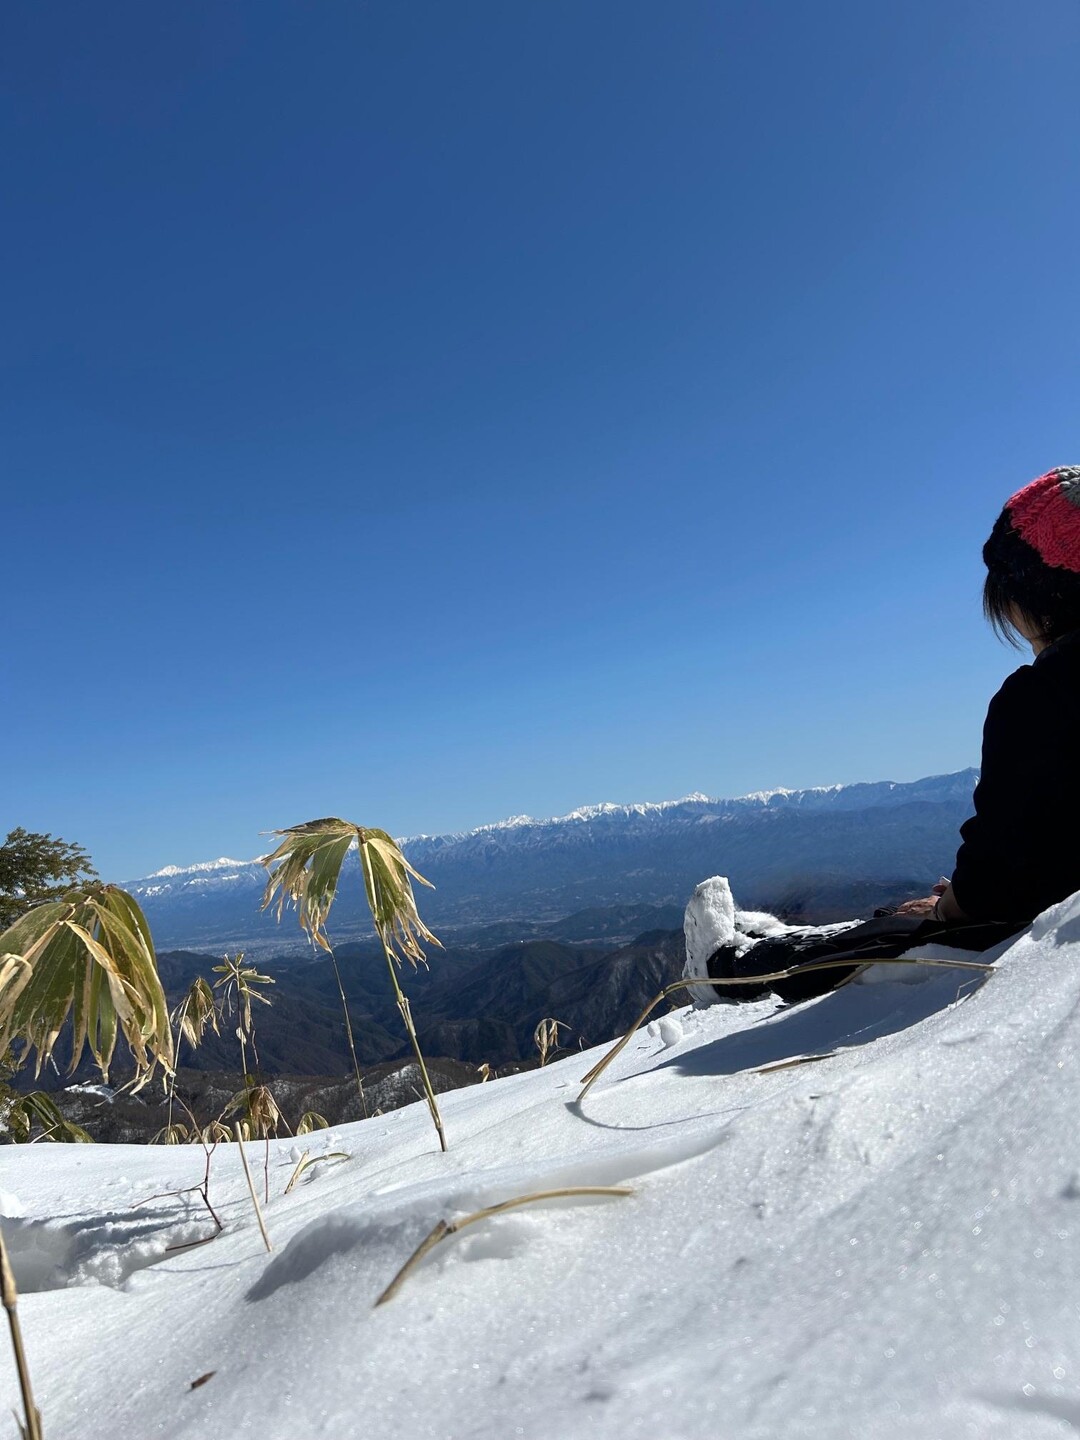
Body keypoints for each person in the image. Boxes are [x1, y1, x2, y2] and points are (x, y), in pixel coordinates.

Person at [688, 465, 1080, 1004]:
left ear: (1041, 594)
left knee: (895, 937)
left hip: (1025, 927)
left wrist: (948, 906)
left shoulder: (1044, 696)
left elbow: (999, 869)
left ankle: (728, 970)